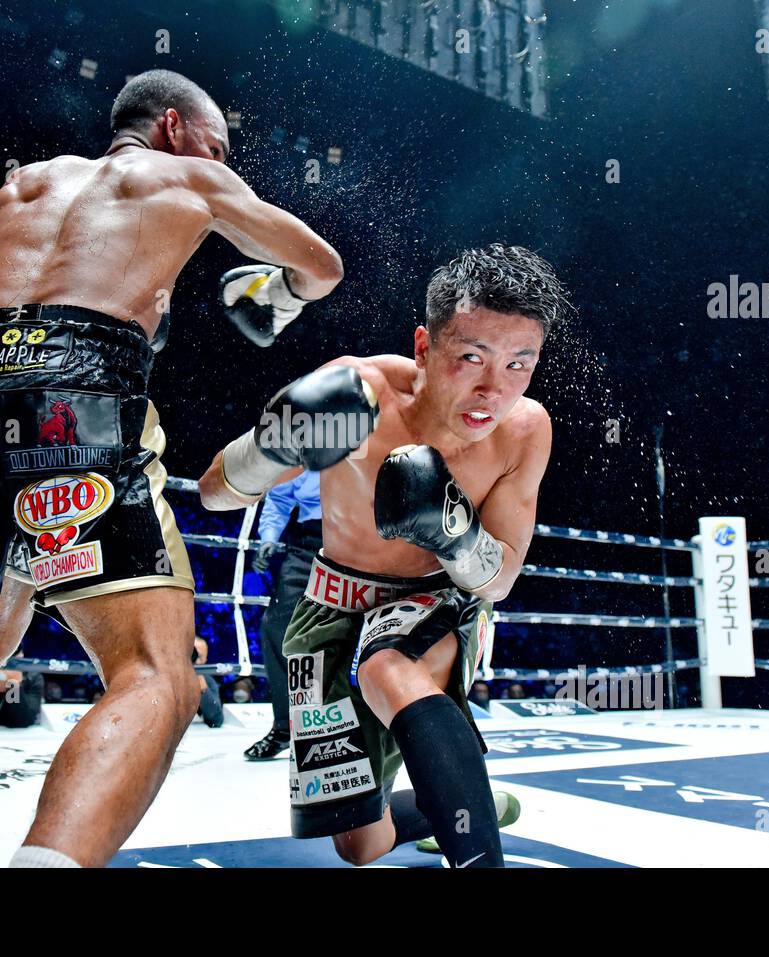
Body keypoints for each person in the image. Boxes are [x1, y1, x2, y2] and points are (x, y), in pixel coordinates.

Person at [0, 69, 342, 869]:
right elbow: (323, 265)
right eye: (219, 141)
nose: (225, 157)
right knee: (159, 675)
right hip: (75, 396)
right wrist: (272, 295)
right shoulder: (191, 174)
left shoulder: (24, 186)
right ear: (174, 126)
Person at [200, 243, 567, 867]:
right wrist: (272, 443)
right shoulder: (359, 395)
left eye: (517, 365)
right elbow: (213, 495)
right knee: (359, 848)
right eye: (471, 357)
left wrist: (457, 536)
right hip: (328, 608)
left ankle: (478, 854)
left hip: (437, 600)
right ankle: (458, 794)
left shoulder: (525, 431)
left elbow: (500, 578)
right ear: (424, 347)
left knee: (385, 665)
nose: (491, 389)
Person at [245, 472, 323, 760]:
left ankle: (339, 728)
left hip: (363, 536)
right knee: (278, 625)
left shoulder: (376, 434)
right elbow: (279, 498)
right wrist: (269, 537)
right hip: (307, 542)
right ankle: (285, 727)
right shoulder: (307, 441)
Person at [194, 637, 224, 728]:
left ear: (205, 660)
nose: (194, 659)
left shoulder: (208, 681)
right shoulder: (164, 677)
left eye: (200, 657)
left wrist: (203, 689)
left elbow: (216, 720)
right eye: (192, 654)